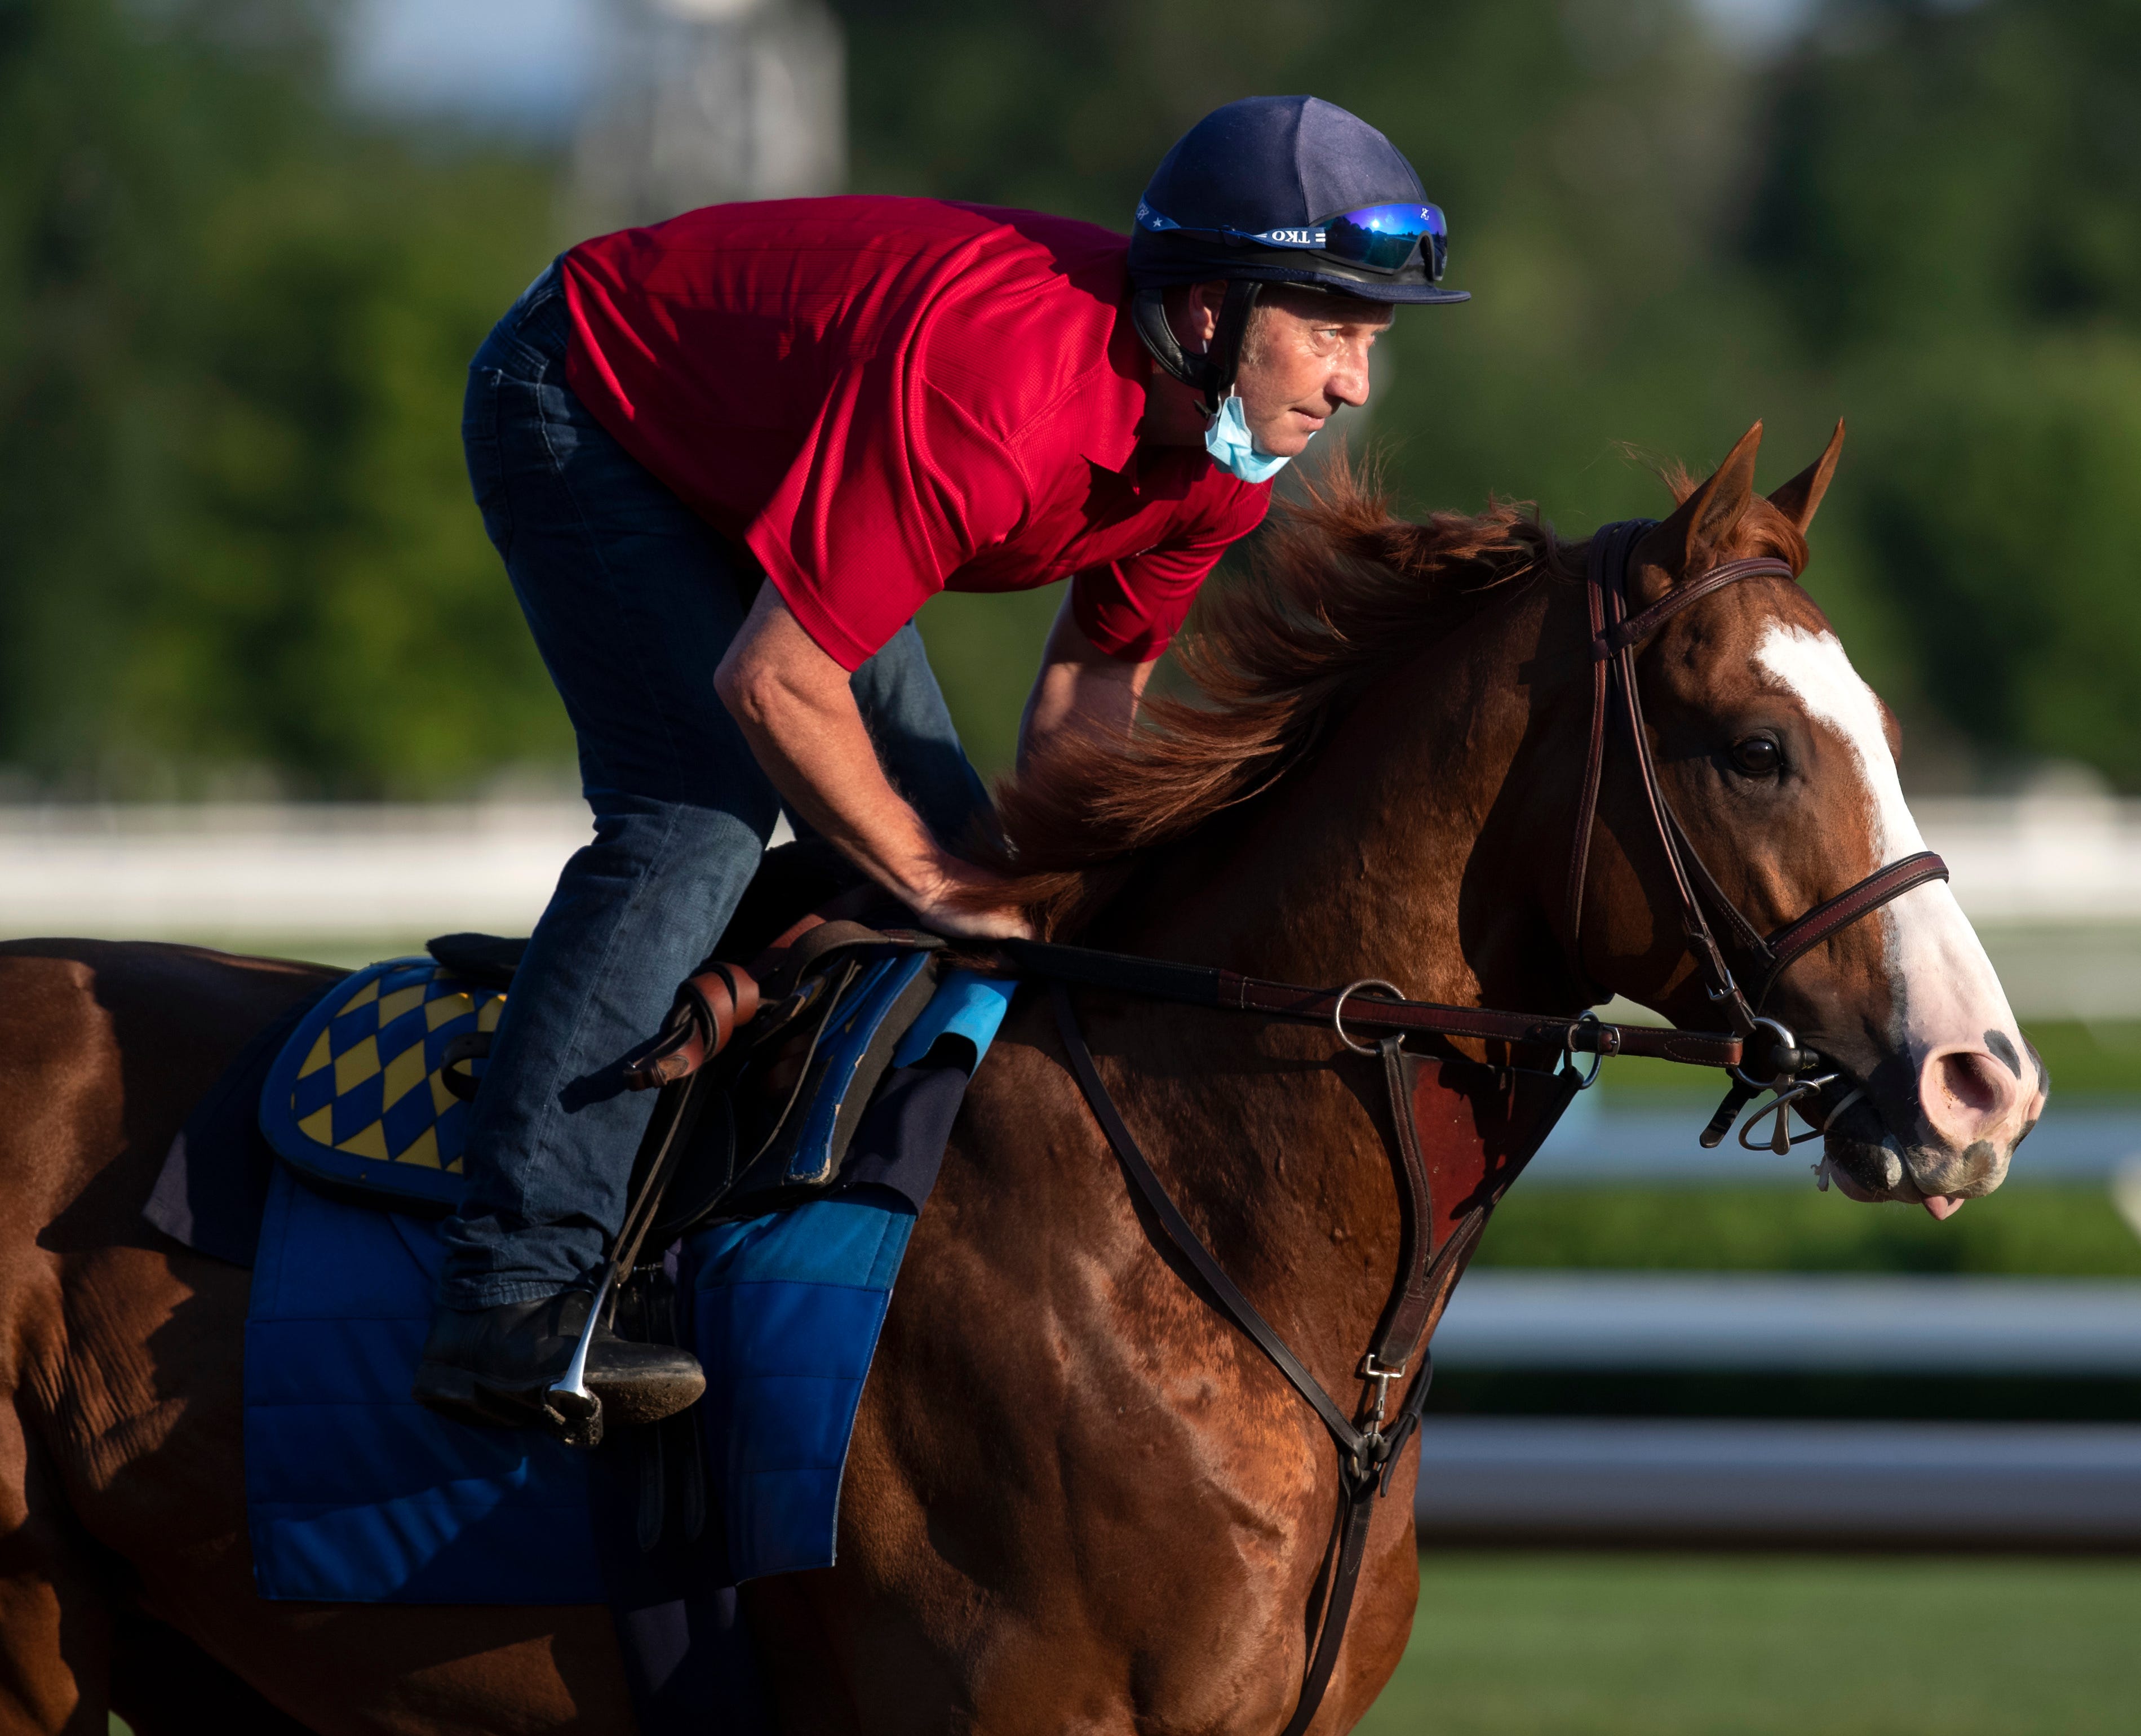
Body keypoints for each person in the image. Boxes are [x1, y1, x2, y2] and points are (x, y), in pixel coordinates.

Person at [413, 94, 1468, 1438]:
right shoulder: (1002, 393)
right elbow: (771, 678)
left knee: (978, 863)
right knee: (701, 809)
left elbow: (1090, 692)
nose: (1353, 382)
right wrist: (928, 877)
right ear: (1208, 316)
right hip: (584, 395)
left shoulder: (1222, 461)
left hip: (756, 445)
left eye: (1369, 338)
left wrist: (1061, 895)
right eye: (1329, 328)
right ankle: (514, 1286)